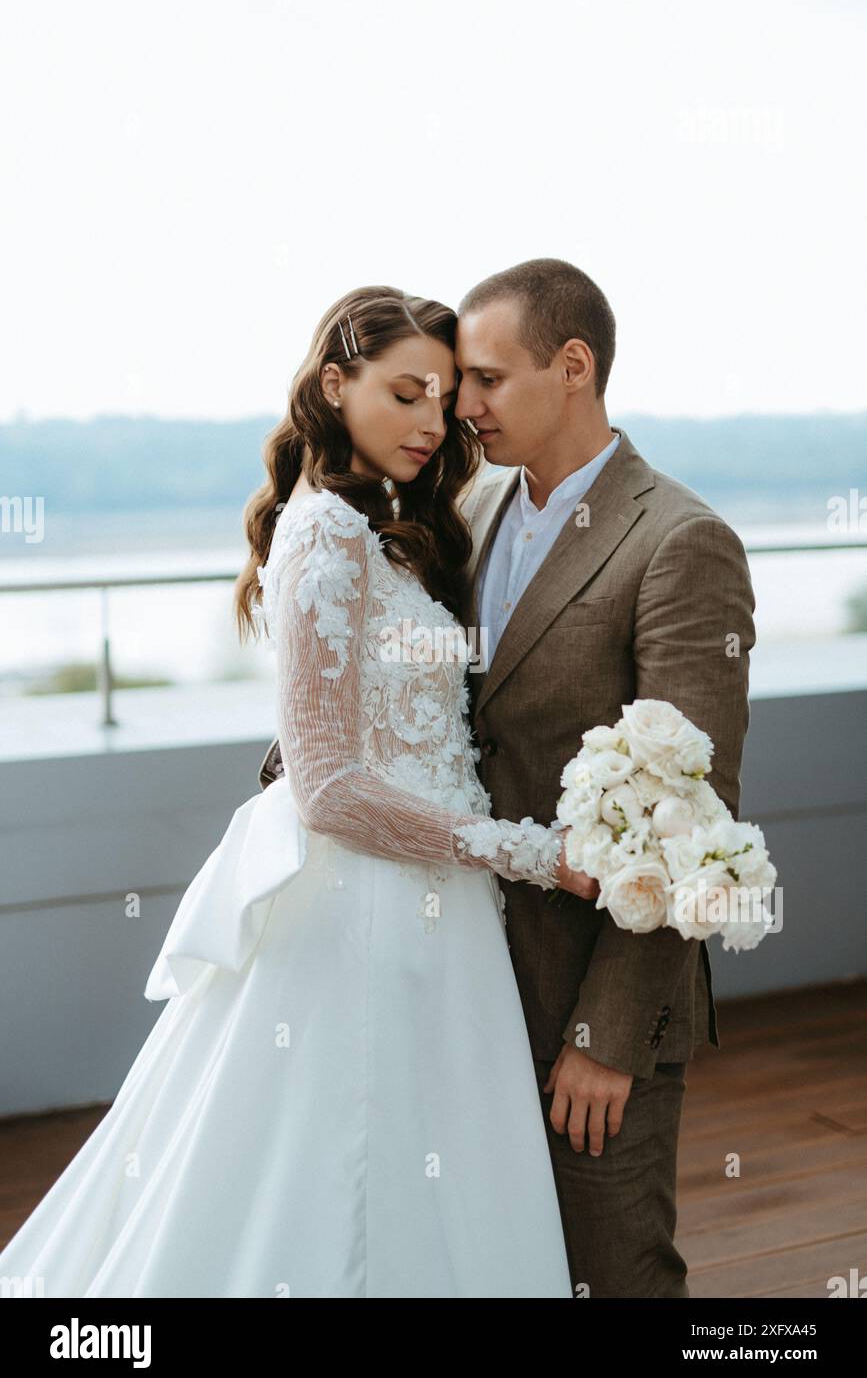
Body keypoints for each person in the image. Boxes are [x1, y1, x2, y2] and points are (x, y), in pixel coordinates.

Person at [0, 286, 595, 1299]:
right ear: (335, 382)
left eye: (442, 400)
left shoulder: (392, 527)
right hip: (361, 901)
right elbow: (326, 791)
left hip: (439, 907)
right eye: (404, 391)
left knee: (432, 1157)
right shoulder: (321, 535)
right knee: (339, 1167)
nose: (426, 421)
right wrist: (532, 852)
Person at [259, 259, 757, 1298]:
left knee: (614, 1273)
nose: (460, 410)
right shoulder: (462, 518)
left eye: (482, 381)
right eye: (442, 389)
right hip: (455, 981)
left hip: (587, 1000)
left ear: (572, 367)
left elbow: (692, 818)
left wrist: (605, 1038)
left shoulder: (679, 541)